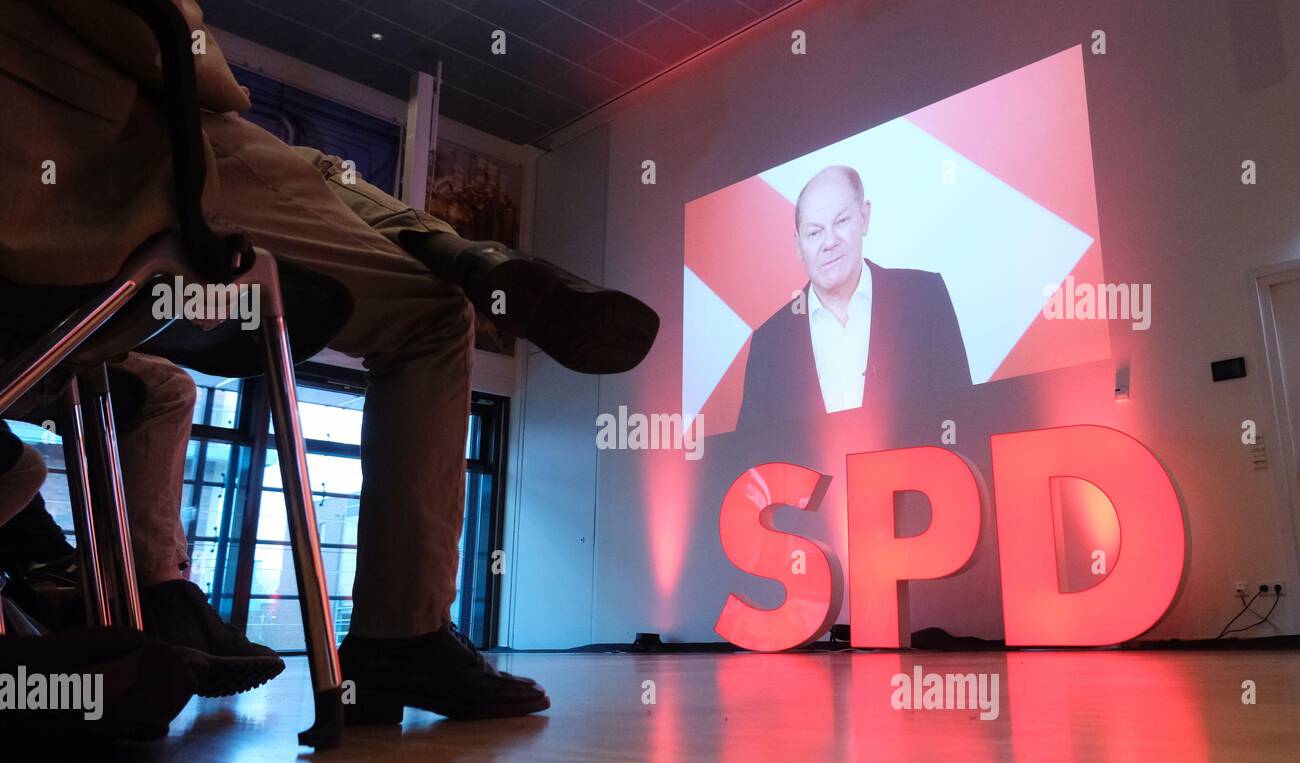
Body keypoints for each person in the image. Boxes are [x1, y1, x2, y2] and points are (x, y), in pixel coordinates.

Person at [0, 0, 657, 720]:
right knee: (430, 313)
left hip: (48, 222)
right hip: (103, 178)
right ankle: (402, 634)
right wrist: (223, 80)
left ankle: (462, 252)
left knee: (314, 183)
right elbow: (163, 42)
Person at [736, 165, 971, 432]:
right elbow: (754, 451)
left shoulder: (925, 298)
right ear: (798, 245)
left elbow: (963, 417)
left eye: (841, 221)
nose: (830, 242)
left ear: (864, 217)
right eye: (814, 232)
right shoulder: (768, 343)